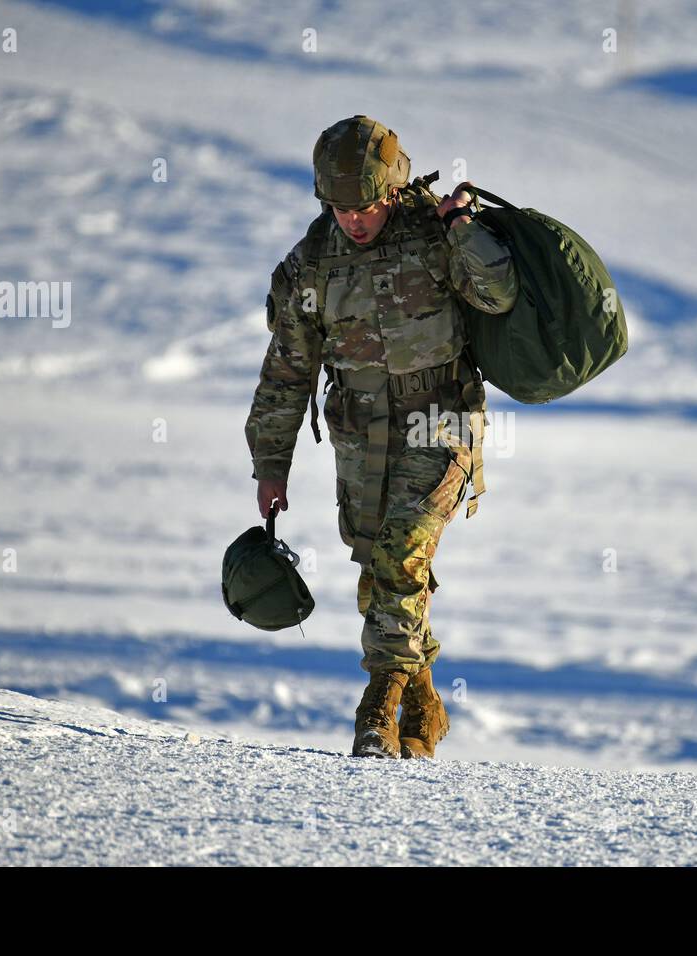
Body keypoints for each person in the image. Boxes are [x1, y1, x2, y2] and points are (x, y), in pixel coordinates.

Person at [245, 115, 519, 758]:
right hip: (362, 434)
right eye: (340, 207)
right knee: (381, 573)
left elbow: (499, 295)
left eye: (365, 205)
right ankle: (426, 705)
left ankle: (378, 710)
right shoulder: (311, 265)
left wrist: (463, 231)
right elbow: (288, 370)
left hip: (442, 420)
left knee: (401, 551)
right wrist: (270, 464)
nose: (355, 220)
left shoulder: (437, 233)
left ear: (391, 192)